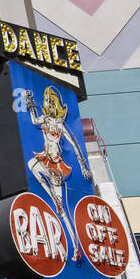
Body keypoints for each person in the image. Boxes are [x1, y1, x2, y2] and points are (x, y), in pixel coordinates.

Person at [23, 86, 92, 264]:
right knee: (31, 165)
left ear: (55, 104)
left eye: (49, 102)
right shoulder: (44, 119)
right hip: (45, 159)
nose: (47, 105)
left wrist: (83, 166)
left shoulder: (60, 124)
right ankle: (52, 194)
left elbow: (75, 144)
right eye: (46, 102)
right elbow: (34, 121)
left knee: (62, 211)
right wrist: (31, 106)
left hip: (56, 166)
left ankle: (77, 247)